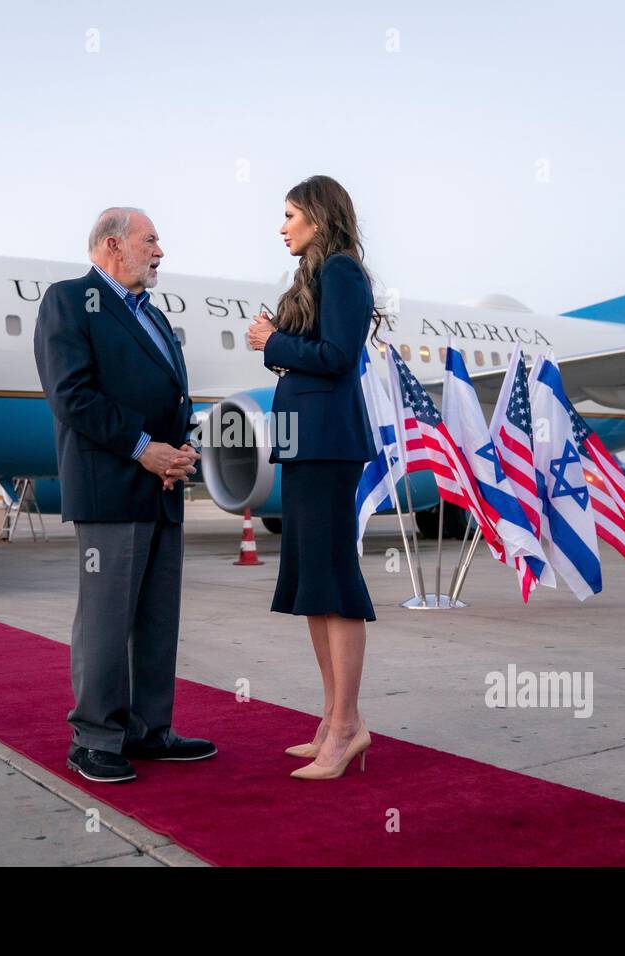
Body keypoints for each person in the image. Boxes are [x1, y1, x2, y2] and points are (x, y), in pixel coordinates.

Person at [33, 207, 216, 784]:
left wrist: (179, 453)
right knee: (106, 621)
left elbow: (173, 398)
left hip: (161, 487)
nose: (160, 251)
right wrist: (144, 449)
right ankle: (94, 738)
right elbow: (72, 396)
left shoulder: (154, 316)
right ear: (114, 245)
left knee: (158, 620)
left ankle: (148, 731)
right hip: (111, 487)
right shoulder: (69, 300)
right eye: (151, 240)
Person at [246, 175, 379, 781]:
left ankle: (348, 726)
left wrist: (275, 341)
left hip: (328, 443)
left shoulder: (343, 272)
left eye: (290, 214)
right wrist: (277, 345)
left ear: (319, 219)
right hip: (304, 444)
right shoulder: (311, 278)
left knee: (333, 579)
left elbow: (339, 357)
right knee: (309, 583)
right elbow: (312, 352)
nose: (282, 226)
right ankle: (332, 719)